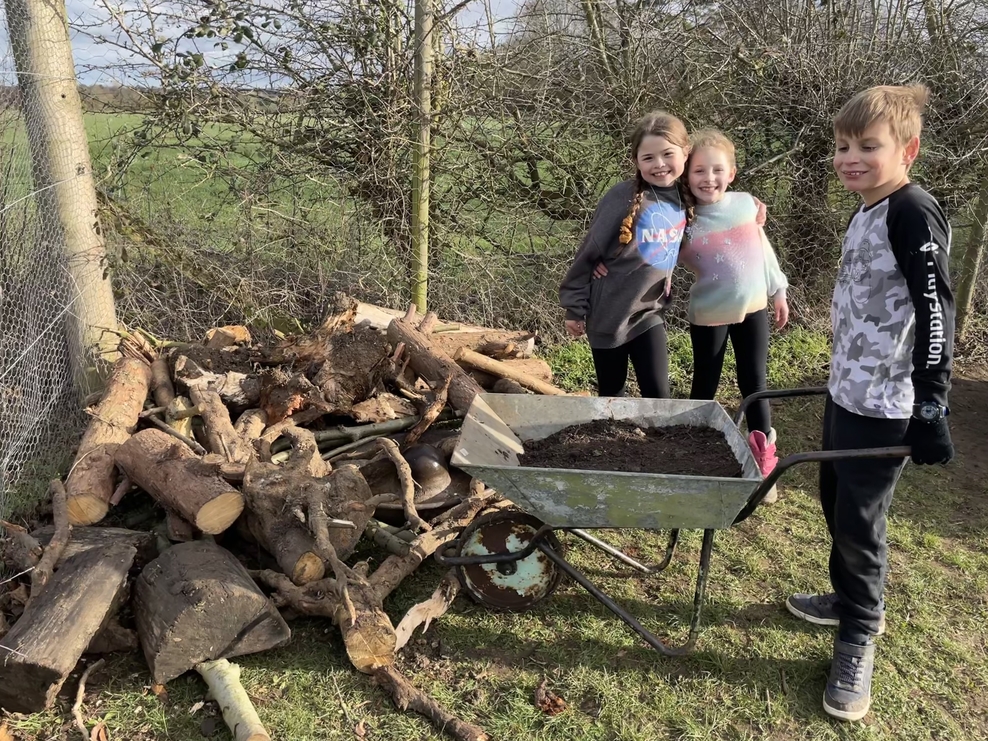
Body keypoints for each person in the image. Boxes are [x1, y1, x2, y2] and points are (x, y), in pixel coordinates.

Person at [785, 84, 955, 722]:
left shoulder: (913, 211)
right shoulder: (867, 210)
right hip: (847, 393)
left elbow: (937, 312)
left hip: (888, 402)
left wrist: (932, 404)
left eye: (867, 146)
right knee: (834, 502)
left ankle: (860, 632)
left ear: (907, 149)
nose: (850, 157)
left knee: (860, 521)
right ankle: (848, 598)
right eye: (841, 145)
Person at [679, 129, 789, 499]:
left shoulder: (745, 205)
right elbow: (652, 257)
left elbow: (763, 249)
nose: (708, 178)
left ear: (732, 173)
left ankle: (763, 462)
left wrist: (778, 288)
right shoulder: (682, 218)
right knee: (704, 386)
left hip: (755, 307)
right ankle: (694, 454)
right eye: (699, 171)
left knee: (754, 383)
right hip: (709, 313)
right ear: (686, 175)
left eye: (716, 170)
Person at [558, 111, 693, 399]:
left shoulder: (689, 195)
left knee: (658, 397)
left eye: (667, 154)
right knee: (612, 396)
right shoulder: (622, 198)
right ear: (636, 161)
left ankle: (657, 444)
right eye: (648, 158)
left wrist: (749, 204)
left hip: (649, 312)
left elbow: (719, 195)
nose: (659, 164)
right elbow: (588, 253)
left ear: (686, 152)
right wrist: (574, 307)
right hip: (609, 313)